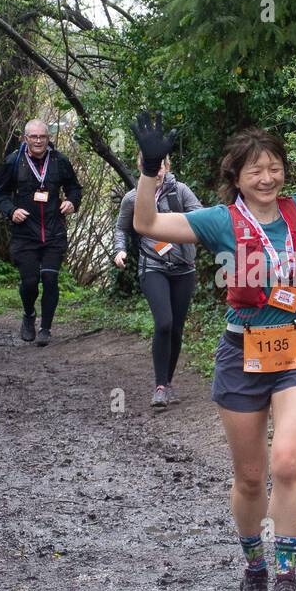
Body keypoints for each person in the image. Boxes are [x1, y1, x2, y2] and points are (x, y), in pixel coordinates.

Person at [130, 95, 296, 591]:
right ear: (237, 175)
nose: (267, 177)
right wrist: (147, 172)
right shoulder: (218, 220)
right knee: (251, 478)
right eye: (256, 170)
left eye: (274, 168)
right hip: (241, 352)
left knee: (288, 460)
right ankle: (254, 567)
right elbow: (148, 225)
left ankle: (287, 575)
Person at [112, 154, 203, 407]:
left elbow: (200, 217)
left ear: (167, 166)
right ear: (141, 167)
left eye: (160, 165)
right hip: (152, 266)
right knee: (163, 322)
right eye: (150, 166)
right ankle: (160, 386)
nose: (157, 170)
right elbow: (121, 228)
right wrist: (120, 250)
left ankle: (168, 382)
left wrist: (177, 227)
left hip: (184, 267)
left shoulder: (181, 191)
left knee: (175, 328)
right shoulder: (133, 198)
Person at [0, 119, 83, 346]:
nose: (38, 141)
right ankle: (29, 315)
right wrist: (11, 211)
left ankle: (46, 328)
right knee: (30, 282)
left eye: (42, 137)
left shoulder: (60, 161)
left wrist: (72, 202)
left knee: (50, 278)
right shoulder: (13, 162)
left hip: (54, 232)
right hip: (25, 234)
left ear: (48, 138)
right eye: (34, 137)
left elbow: (74, 188)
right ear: (26, 139)